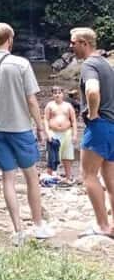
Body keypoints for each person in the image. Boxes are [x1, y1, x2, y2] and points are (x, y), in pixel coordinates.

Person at [0, 23, 54, 246]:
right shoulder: (21, 64)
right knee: (31, 177)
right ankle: (38, 225)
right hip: (20, 128)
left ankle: (18, 230)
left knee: (7, 178)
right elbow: (31, 99)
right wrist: (40, 126)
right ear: (10, 38)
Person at [70, 27, 114, 238]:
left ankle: (102, 226)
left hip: (99, 126)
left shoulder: (89, 65)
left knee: (88, 175)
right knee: (111, 179)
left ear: (84, 43)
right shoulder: (106, 64)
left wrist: (93, 113)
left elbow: (92, 90)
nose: (71, 46)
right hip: (112, 126)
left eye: (73, 43)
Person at [44, 85, 78, 182]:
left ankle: (68, 177)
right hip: (53, 133)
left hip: (67, 133)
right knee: (52, 155)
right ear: (52, 95)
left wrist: (75, 134)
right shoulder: (50, 105)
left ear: (63, 94)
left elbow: (74, 120)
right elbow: (46, 120)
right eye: (55, 93)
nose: (57, 95)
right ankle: (49, 176)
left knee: (67, 156)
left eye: (59, 93)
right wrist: (47, 133)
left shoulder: (68, 106)